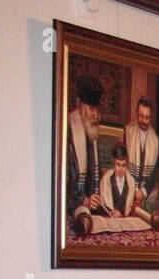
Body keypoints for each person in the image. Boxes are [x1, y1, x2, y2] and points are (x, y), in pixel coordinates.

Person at [66, 74, 104, 226]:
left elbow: (96, 175)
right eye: (91, 108)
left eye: (97, 109)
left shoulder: (92, 130)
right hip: (72, 210)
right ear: (80, 105)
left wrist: (97, 198)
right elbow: (66, 182)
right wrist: (84, 200)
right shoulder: (68, 131)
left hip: (89, 209)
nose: (95, 114)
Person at [124, 97, 159, 214]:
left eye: (147, 117)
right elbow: (122, 162)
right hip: (129, 189)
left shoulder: (155, 140)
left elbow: (156, 171)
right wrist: (134, 190)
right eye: (141, 116)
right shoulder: (128, 133)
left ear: (151, 117)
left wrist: (143, 192)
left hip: (147, 194)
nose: (144, 120)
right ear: (136, 114)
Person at [98, 144, 138, 218]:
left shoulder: (131, 182)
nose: (121, 169)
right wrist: (111, 212)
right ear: (113, 162)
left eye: (124, 165)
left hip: (126, 221)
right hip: (111, 220)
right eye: (118, 165)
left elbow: (130, 207)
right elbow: (103, 205)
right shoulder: (106, 180)